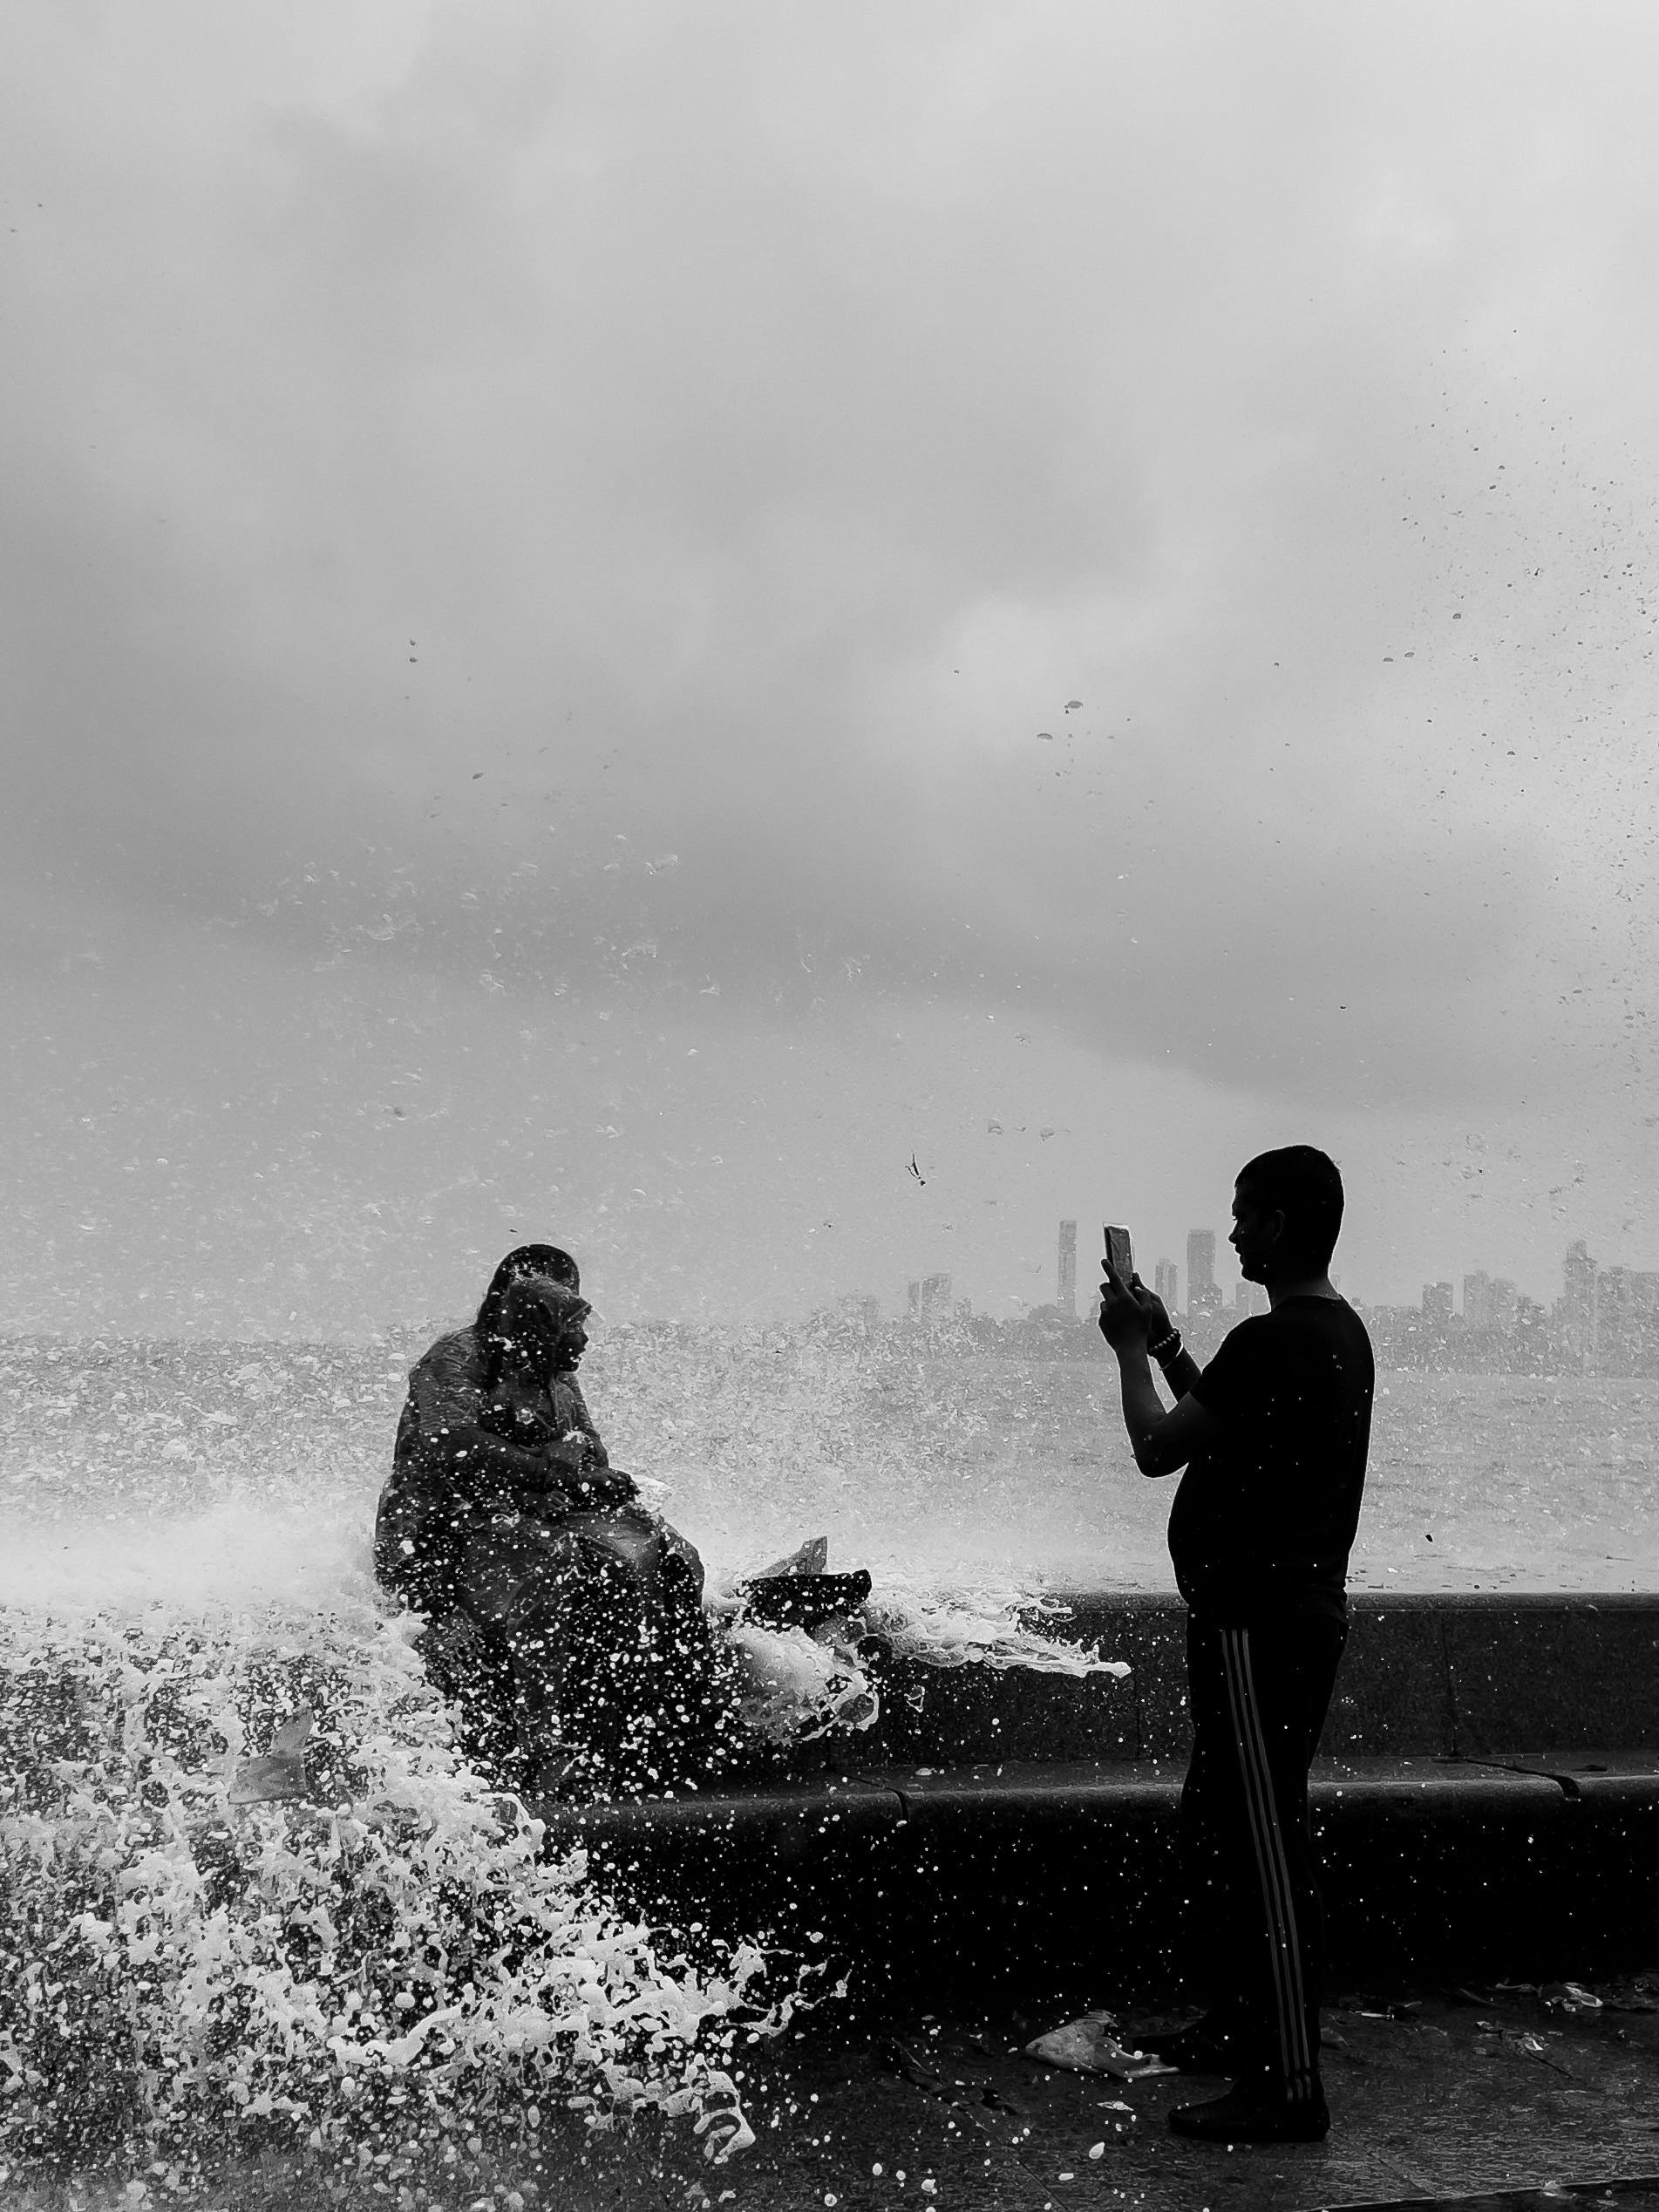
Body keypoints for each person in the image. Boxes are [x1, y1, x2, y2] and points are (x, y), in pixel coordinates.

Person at [1096, 1147, 1374, 2145]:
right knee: (1220, 1828)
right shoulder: (1329, 1331)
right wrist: (1169, 1341)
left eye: (1251, 1218)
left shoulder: (1279, 1335)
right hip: (1271, 1618)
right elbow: (1226, 1408)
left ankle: (1289, 2086)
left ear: (1292, 1221)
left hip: (1260, 1623)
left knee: (1261, 1846)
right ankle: (1234, 2026)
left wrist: (1128, 1350)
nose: (1240, 1234)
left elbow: (1160, 1446)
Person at [376, 1245, 725, 1798]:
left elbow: (588, 1456)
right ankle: (543, 1748)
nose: (577, 1328)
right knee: (558, 1563)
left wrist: (598, 1483)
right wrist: (551, 1472)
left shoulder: (557, 1376)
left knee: (665, 1548)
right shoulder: (458, 1358)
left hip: (526, 1521)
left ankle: (679, 1704)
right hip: (438, 1536)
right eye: (554, 1304)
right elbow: (451, 1445)